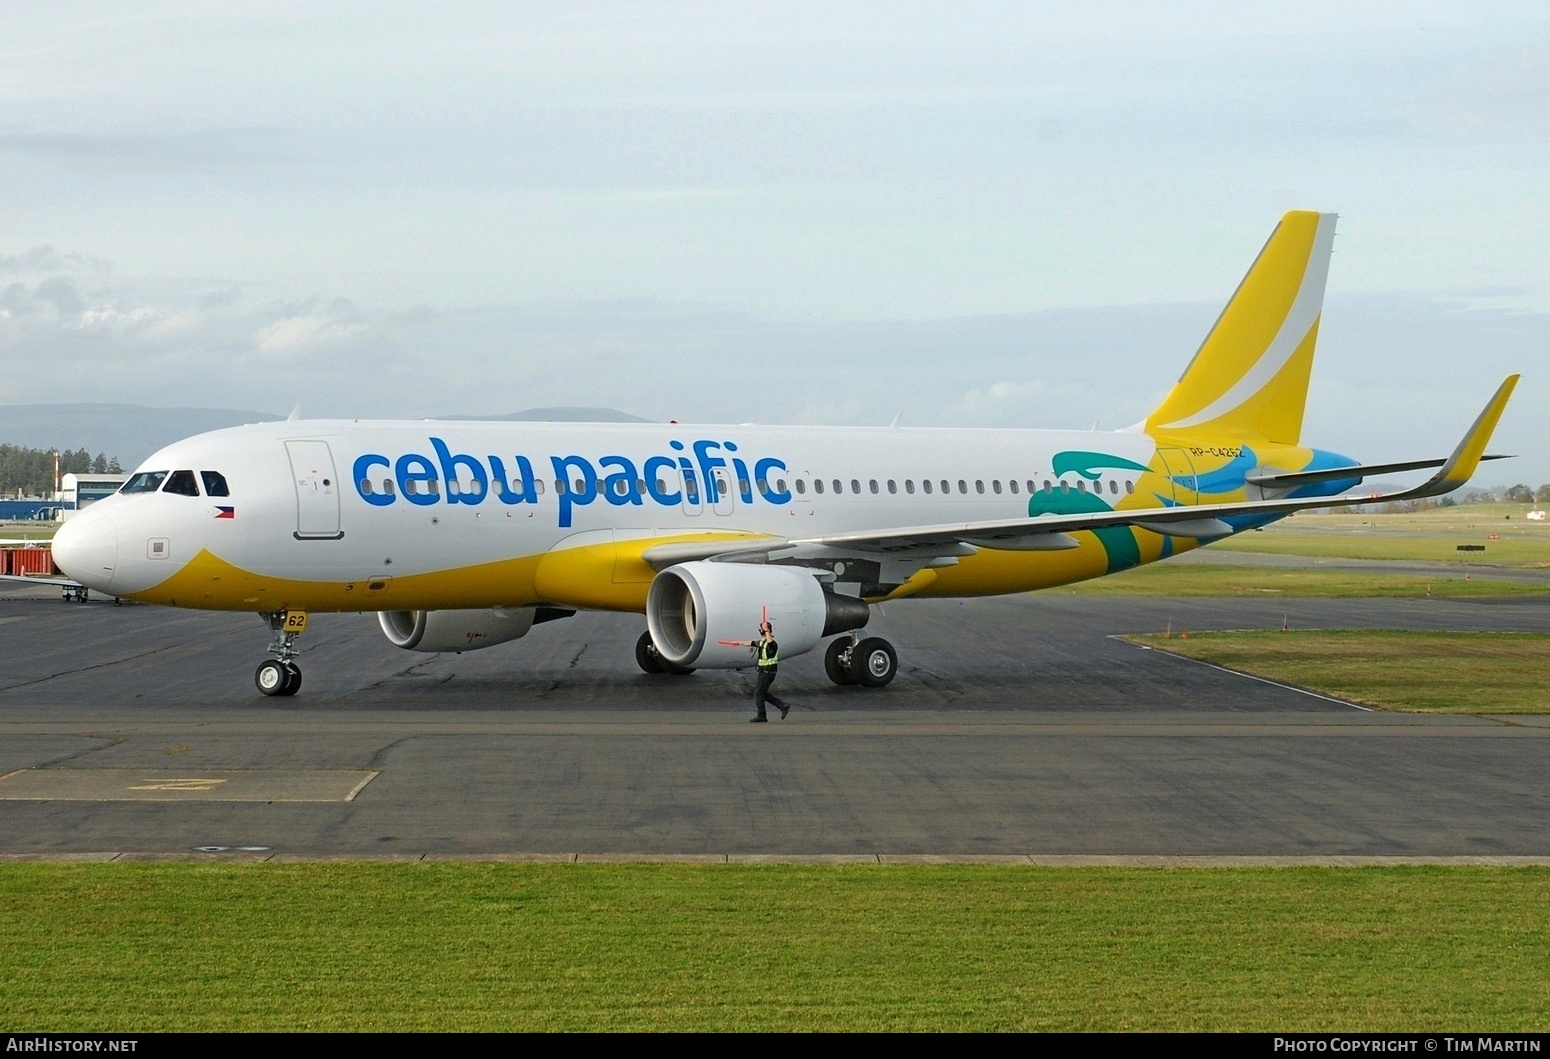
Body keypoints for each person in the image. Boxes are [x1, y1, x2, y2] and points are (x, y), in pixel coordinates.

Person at [745, 620, 789, 722]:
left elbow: (770, 643)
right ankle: (782, 705)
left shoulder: (771, 644)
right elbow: (750, 643)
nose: (759, 630)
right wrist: (737, 643)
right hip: (764, 672)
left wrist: (766, 630)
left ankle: (762, 715)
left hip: (767, 672)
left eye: (760, 629)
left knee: (758, 693)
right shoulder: (762, 642)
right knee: (762, 693)